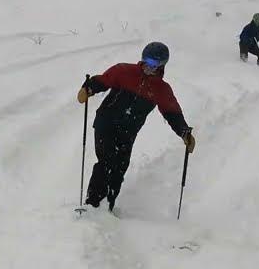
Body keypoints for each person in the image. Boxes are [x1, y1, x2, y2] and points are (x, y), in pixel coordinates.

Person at [78, 42, 196, 211]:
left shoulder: (161, 90)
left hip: (128, 132)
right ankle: (92, 205)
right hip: (106, 122)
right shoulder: (124, 71)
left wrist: (184, 133)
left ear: (162, 65)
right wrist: (88, 89)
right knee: (106, 161)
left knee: (119, 169)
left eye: (154, 64)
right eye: (146, 61)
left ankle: (107, 208)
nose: (149, 67)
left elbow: (173, 114)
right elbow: (102, 81)